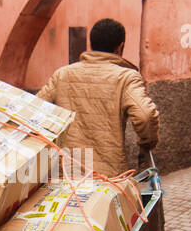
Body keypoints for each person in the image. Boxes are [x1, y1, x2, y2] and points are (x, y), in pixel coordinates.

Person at [37, 18, 160, 176]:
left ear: (91, 45)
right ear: (120, 47)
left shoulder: (62, 74)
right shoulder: (126, 77)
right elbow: (145, 116)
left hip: (66, 172)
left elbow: (36, 109)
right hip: (107, 176)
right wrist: (147, 143)